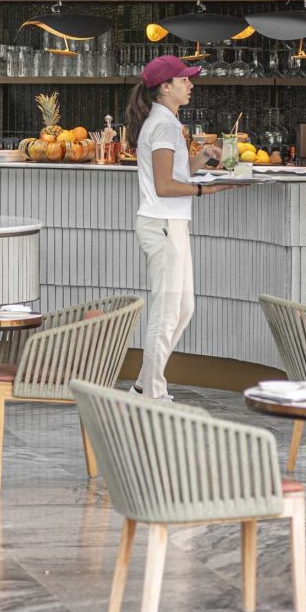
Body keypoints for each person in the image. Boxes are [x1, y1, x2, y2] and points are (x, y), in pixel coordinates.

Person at [124, 54, 235, 400]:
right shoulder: (164, 125)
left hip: (170, 224)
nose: (190, 84)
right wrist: (205, 190)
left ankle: (142, 386)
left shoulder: (166, 122)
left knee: (182, 308)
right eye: (184, 79)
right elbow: (164, 185)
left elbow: (175, 173)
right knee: (167, 311)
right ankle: (154, 395)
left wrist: (203, 157)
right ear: (165, 87)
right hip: (163, 225)